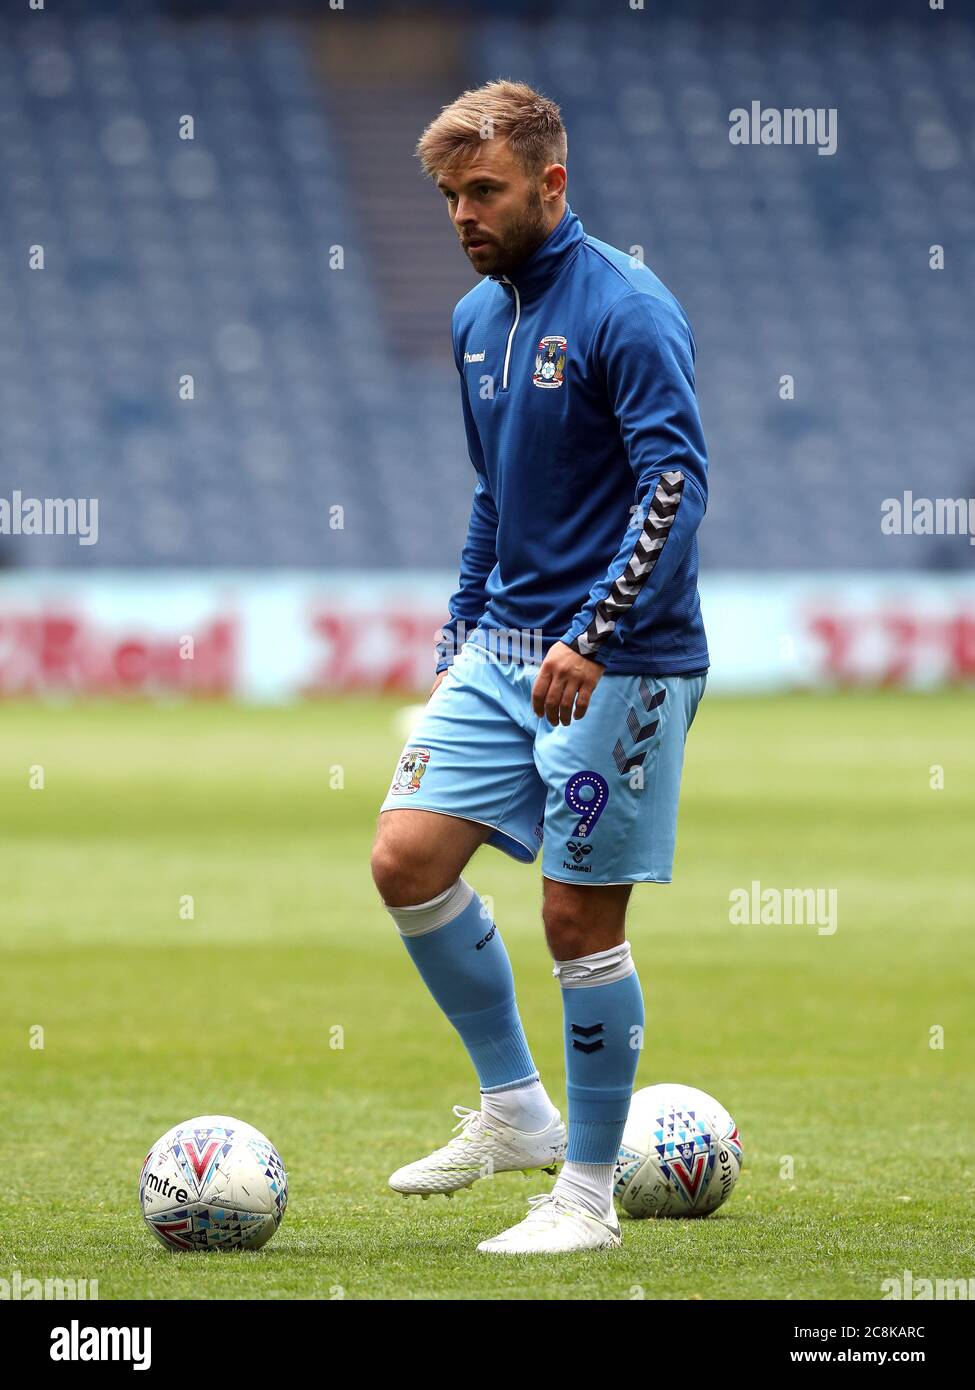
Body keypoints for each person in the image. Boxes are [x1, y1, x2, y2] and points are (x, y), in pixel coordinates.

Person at [371, 79, 709, 1254]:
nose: (463, 215)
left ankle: (586, 1198)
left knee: (576, 922)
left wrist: (594, 633)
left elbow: (674, 485)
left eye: (484, 192)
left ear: (551, 184)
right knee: (406, 859)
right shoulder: (477, 319)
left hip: (618, 660)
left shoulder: (627, 306)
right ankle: (515, 1112)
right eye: (450, 197)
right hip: (504, 646)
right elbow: (493, 499)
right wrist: (460, 634)